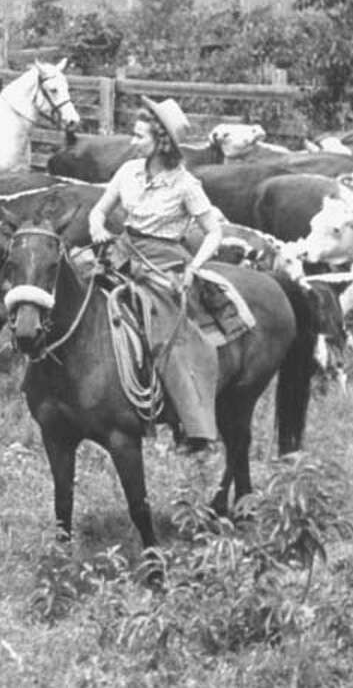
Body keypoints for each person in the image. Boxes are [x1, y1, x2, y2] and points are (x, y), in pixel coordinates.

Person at [87, 96, 225, 454]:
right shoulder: (128, 171)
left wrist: (194, 268)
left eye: (140, 136)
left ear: (162, 142)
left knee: (167, 332)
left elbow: (214, 231)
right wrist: (98, 226)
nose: (134, 142)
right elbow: (98, 211)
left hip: (162, 263)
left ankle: (189, 423)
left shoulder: (185, 184)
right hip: (122, 250)